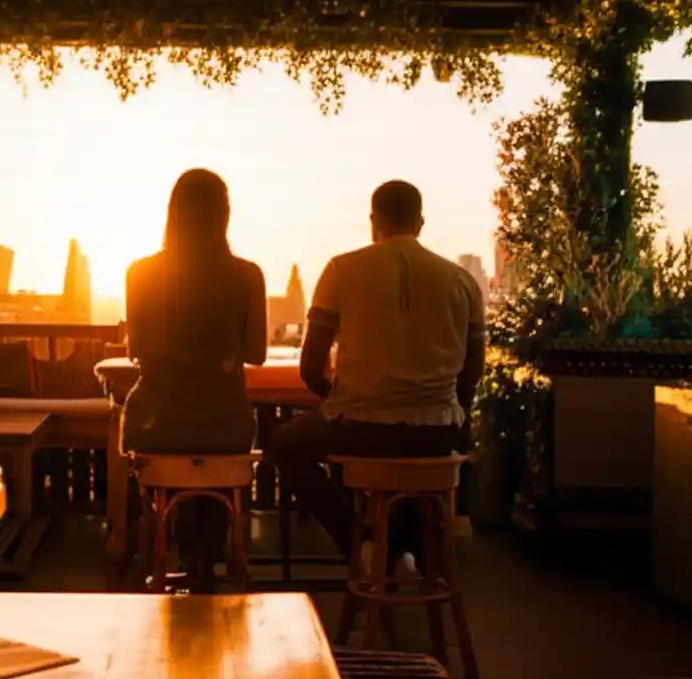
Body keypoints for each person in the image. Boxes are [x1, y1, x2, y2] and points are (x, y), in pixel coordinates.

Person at [268, 179, 485, 572]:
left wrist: (339, 398)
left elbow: (310, 365)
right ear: (420, 222)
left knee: (285, 444)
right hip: (435, 435)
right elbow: (473, 370)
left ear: (374, 221)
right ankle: (405, 544)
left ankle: (360, 543)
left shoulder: (342, 270)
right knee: (406, 468)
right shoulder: (462, 281)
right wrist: (454, 414)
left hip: (360, 426)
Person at [123, 168, 267, 590]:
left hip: (159, 427)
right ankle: (210, 558)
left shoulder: (141, 273)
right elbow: (257, 354)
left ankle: (169, 549)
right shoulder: (247, 275)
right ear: (224, 215)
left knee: (158, 449)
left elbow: (136, 351)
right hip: (226, 428)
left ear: (172, 213)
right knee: (215, 452)